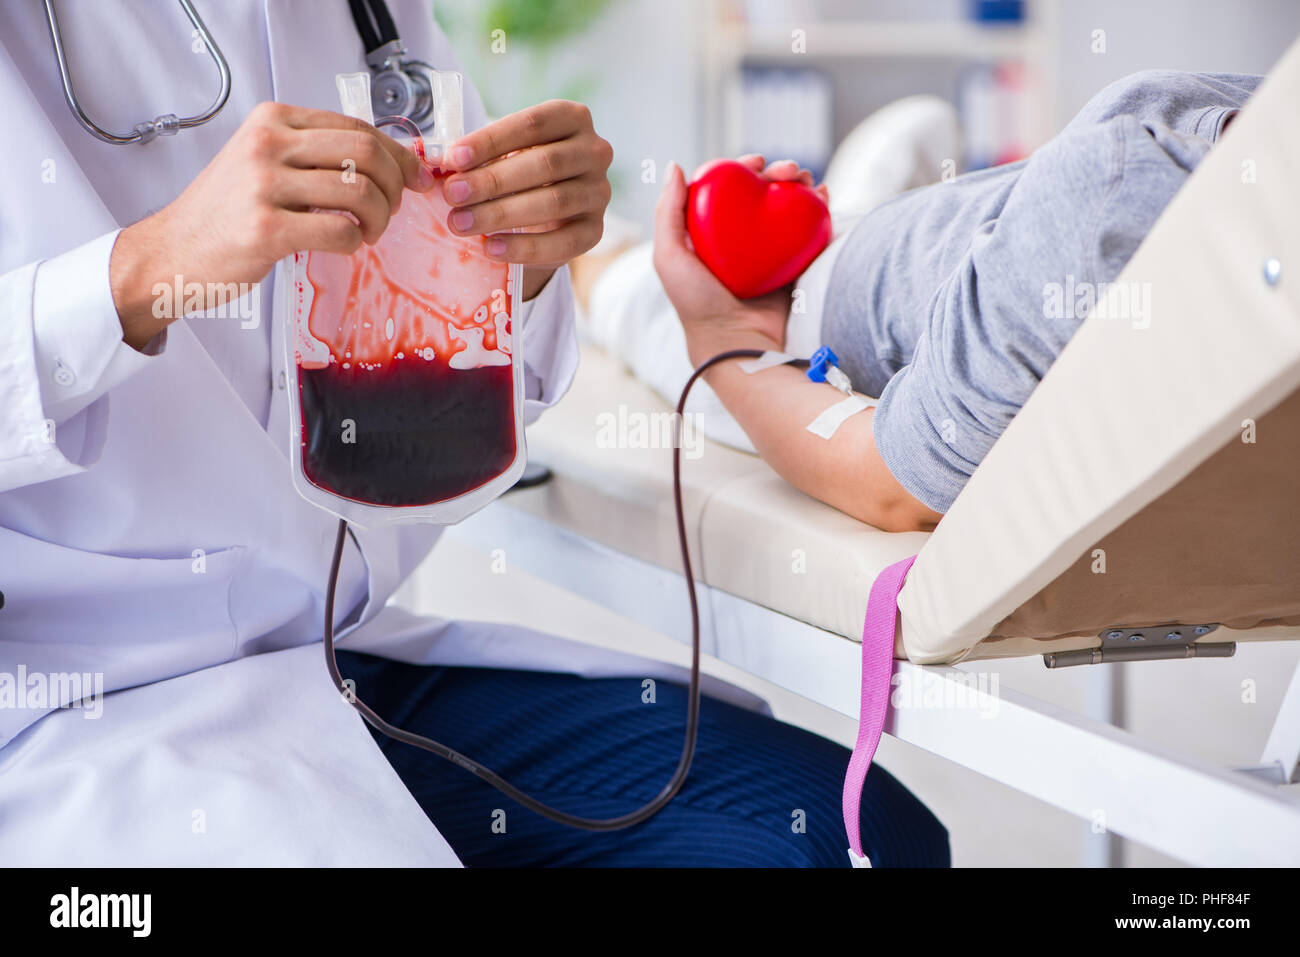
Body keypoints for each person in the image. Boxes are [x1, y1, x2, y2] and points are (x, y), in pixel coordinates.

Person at [0, 0, 948, 868]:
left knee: (855, 831)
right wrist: (141, 273)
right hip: (78, 717)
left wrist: (523, 261)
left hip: (329, 662)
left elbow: (425, 374)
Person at [639, 71, 1260, 533]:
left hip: (790, 326)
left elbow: (895, 486)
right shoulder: (1223, 128)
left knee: (637, 302)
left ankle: (603, 264)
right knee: (924, 153)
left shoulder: (1102, 208)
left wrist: (723, 341)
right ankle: (861, 209)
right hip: (922, 241)